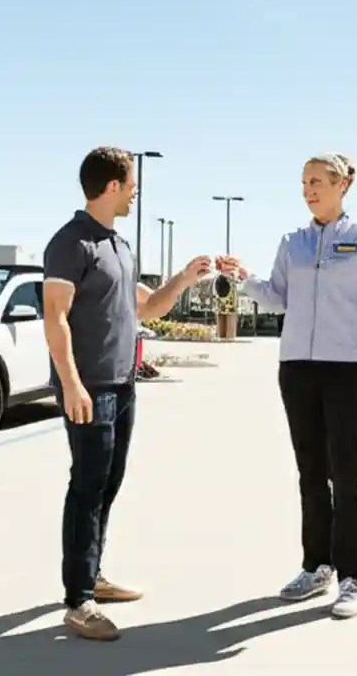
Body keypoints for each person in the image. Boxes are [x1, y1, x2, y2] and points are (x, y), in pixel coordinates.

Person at [42, 146, 212, 641]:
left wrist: (185, 278)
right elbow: (55, 317)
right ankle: (78, 601)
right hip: (90, 386)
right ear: (113, 185)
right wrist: (71, 383)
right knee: (87, 485)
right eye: (133, 183)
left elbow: (148, 307)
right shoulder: (70, 243)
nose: (136, 192)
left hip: (122, 384)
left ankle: (92, 575)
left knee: (108, 483)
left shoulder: (117, 245)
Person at [217, 152, 357, 619]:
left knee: (346, 472)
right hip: (297, 367)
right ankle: (316, 566)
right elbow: (278, 298)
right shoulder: (292, 243)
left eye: (316, 181)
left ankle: (353, 577)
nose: (308, 190)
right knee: (310, 471)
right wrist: (244, 279)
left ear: (342, 184)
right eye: (303, 182)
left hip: (348, 368)